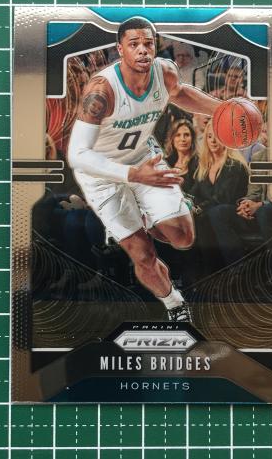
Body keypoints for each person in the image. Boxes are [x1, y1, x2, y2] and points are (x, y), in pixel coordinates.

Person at [67, 17, 223, 322]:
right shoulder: (102, 90)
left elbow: (179, 93)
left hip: (142, 158)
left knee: (183, 237)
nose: (142, 50)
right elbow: (77, 154)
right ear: (120, 49)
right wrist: (131, 176)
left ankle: (146, 216)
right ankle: (175, 305)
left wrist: (222, 109)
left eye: (148, 43)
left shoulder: (165, 72)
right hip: (101, 174)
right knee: (144, 255)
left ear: (156, 46)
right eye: (134, 44)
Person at [189, 123, 250, 273]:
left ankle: (238, 270)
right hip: (211, 214)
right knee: (196, 218)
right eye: (209, 136)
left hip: (236, 215)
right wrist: (185, 204)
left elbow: (223, 197)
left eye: (217, 136)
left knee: (215, 212)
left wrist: (199, 208)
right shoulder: (204, 166)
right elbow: (194, 194)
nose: (213, 141)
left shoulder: (234, 165)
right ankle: (206, 274)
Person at [164, 119, 199, 194]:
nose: (182, 139)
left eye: (186, 135)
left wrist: (182, 187)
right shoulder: (165, 163)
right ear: (172, 139)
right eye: (178, 135)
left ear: (192, 139)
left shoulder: (200, 164)